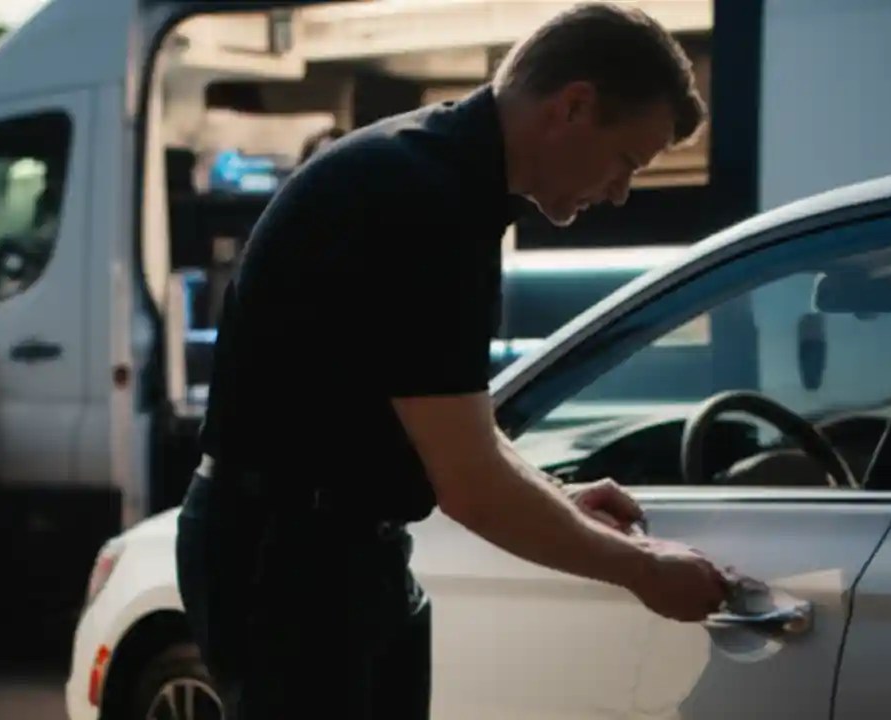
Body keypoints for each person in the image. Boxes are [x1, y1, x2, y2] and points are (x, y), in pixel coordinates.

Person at [175, 4, 733, 718]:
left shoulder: (439, 173)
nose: (621, 192)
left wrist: (560, 501)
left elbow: (453, 425)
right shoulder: (420, 200)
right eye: (627, 161)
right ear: (575, 106)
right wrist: (643, 569)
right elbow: (469, 483)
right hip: (292, 559)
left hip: (331, 546)